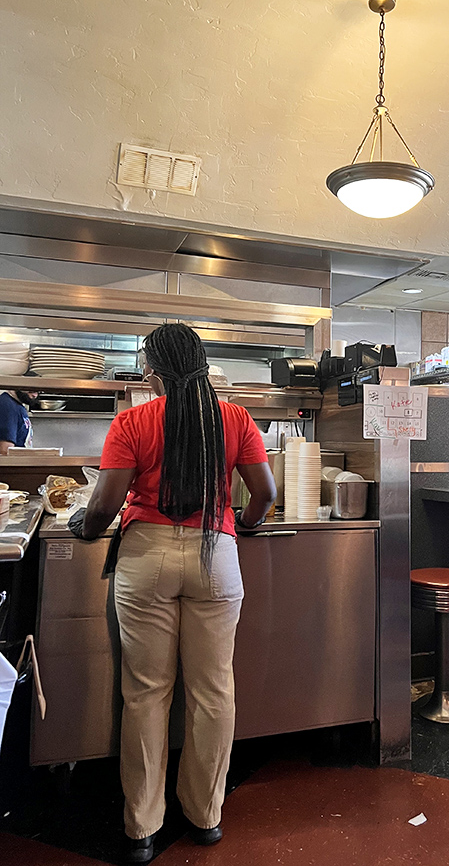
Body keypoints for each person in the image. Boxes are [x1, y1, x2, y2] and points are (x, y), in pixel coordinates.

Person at [72, 324, 276, 864]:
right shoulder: (234, 418)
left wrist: (86, 529)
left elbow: (105, 502)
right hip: (216, 555)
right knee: (213, 692)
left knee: (146, 693)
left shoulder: (133, 421)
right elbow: (265, 494)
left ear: (154, 369)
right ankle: (206, 817)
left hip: (147, 559)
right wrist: (244, 525)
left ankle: (142, 826)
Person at [0, 389, 38, 454]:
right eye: (31, 391)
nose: (35, 395)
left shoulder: (18, 405)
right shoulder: (7, 406)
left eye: (38, 392)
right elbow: (5, 450)